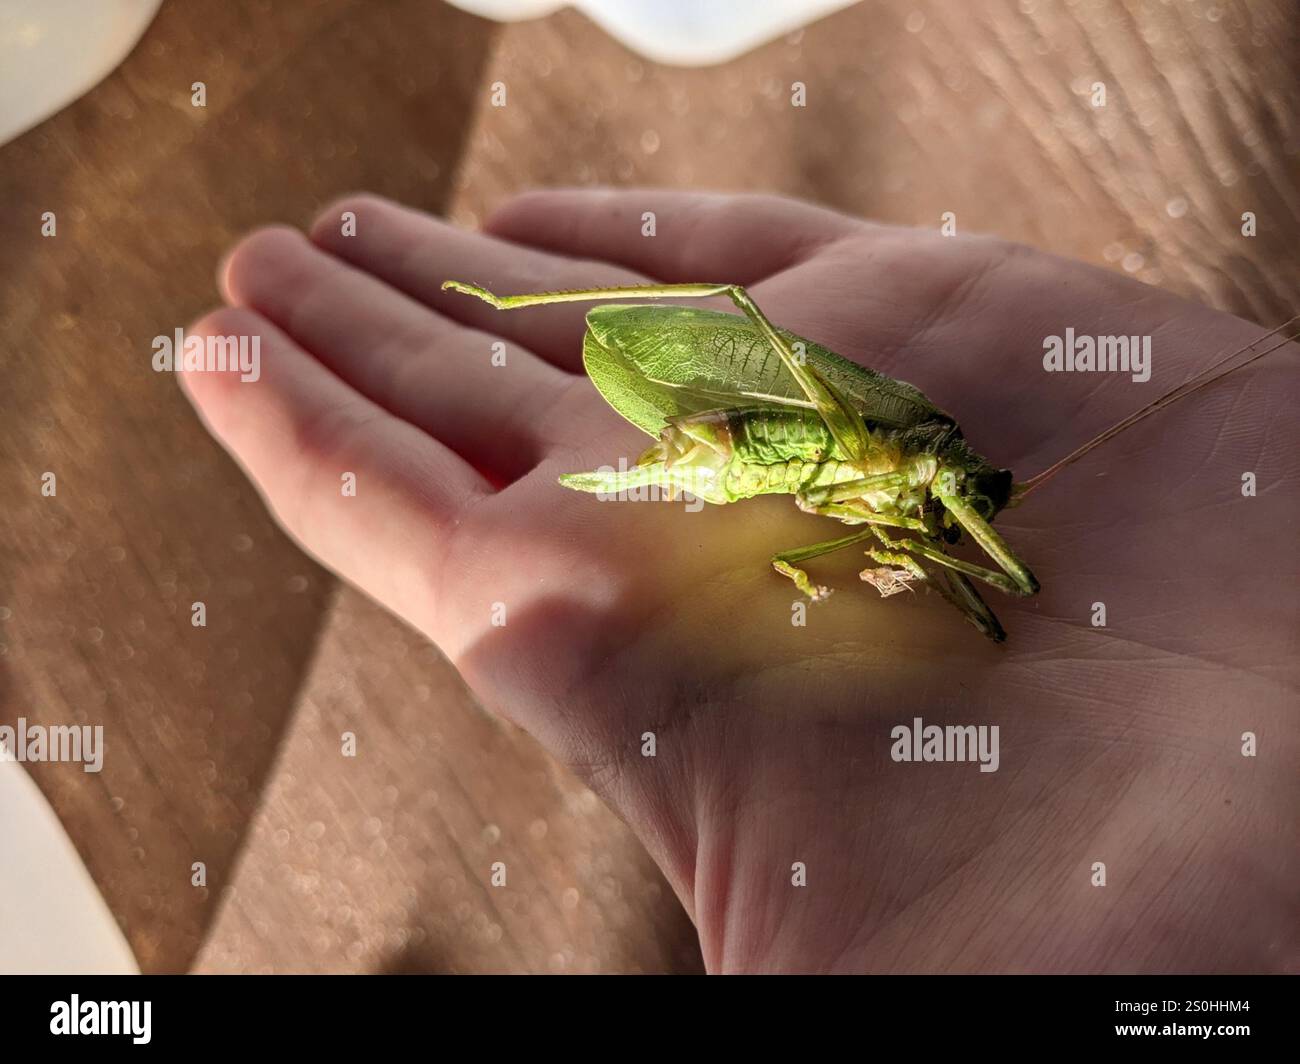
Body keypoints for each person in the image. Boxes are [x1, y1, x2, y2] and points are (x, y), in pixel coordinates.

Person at [179, 190, 1296, 973]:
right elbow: (963, 537)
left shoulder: (936, 504)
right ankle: (537, 320)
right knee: (753, 337)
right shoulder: (929, 459)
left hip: (793, 479)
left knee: (825, 543)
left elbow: (957, 563)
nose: (975, 520)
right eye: (969, 503)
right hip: (776, 435)